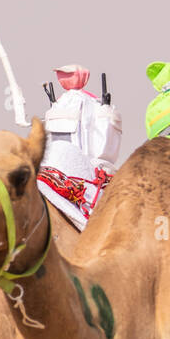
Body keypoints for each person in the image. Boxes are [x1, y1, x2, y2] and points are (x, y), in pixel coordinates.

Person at [37, 65, 122, 229]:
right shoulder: (92, 104)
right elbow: (105, 144)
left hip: (66, 167)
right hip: (75, 168)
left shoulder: (61, 105)